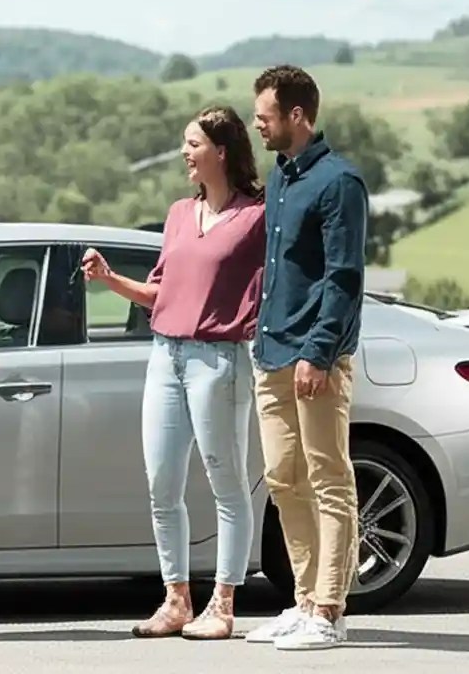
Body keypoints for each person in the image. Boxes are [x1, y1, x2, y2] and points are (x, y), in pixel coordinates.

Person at [82, 105, 266, 640]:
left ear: (222, 151)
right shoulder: (179, 214)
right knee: (162, 483)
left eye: (193, 144)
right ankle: (177, 600)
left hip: (219, 359)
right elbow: (162, 292)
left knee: (225, 483)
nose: (185, 153)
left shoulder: (256, 216)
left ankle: (225, 604)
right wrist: (111, 279)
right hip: (166, 355)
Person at [242, 64, 368, 651]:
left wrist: (318, 353)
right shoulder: (282, 176)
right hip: (271, 352)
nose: (257, 125)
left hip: (315, 358)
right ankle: (302, 600)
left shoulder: (339, 182)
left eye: (264, 115)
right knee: (283, 479)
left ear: (297, 115)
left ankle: (330, 609)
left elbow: (342, 279)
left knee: (329, 479)